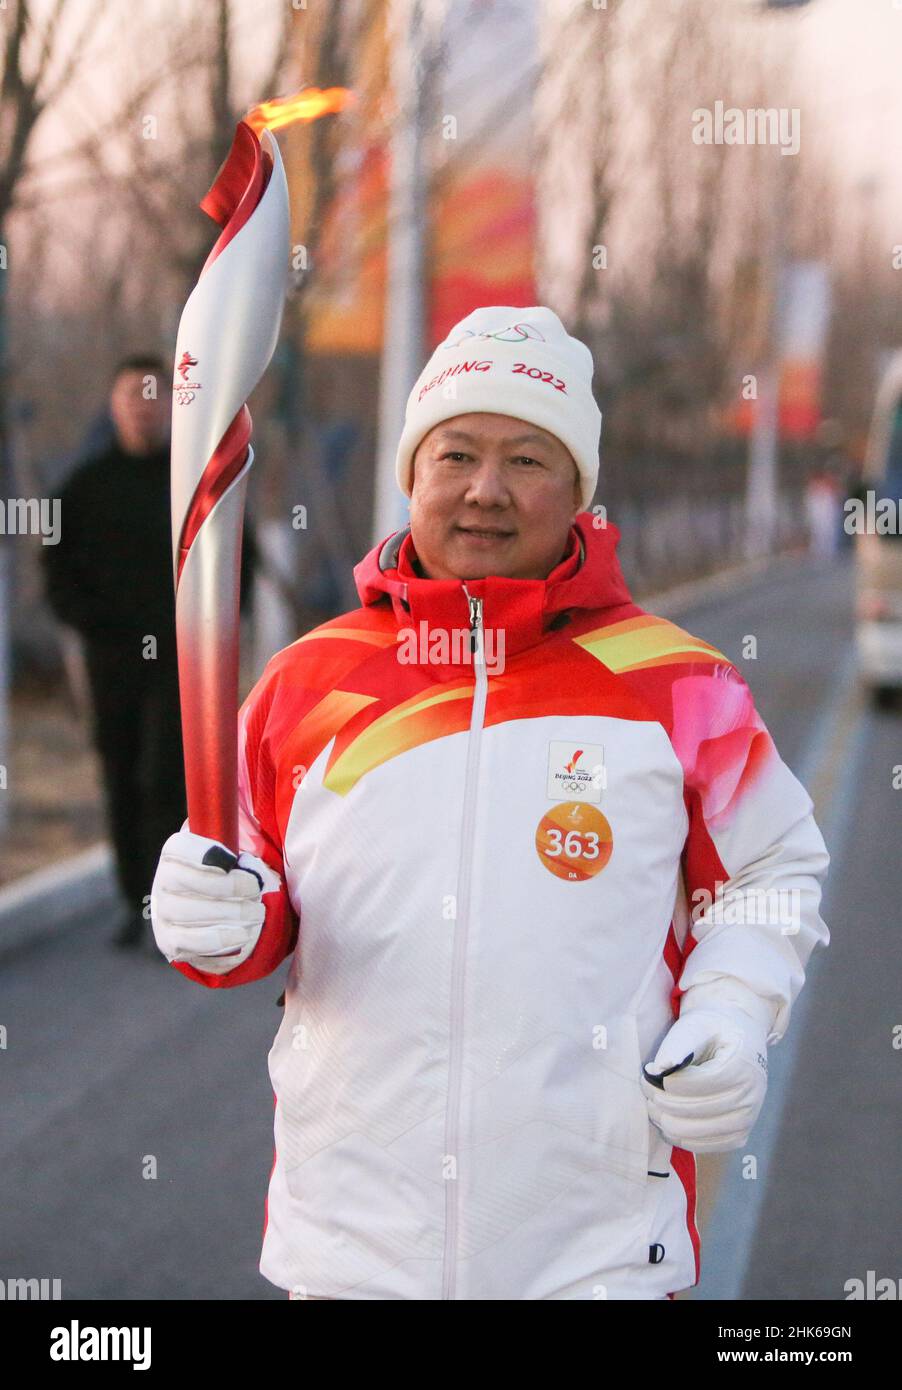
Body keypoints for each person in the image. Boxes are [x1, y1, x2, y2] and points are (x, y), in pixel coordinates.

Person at [150, 306, 830, 1300]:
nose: (484, 490)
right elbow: (244, 894)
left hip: (591, 1256)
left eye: (527, 460)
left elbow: (774, 867)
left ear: (576, 492)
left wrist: (729, 1006)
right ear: (412, 474)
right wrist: (211, 919)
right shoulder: (306, 684)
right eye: (455, 453)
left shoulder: (673, 684)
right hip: (349, 1250)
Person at [42, 352, 257, 949]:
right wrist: (92, 626)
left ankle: (168, 903)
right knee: (119, 774)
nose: (142, 408)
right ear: (113, 407)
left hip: (181, 660)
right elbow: (56, 570)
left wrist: (215, 628)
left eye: (152, 396)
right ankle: (132, 900)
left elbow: (240, 554)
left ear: (170, 405)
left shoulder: (195, 483)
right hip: (110, 662)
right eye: (130, 397)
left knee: (166, 775)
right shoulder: (82, 490)